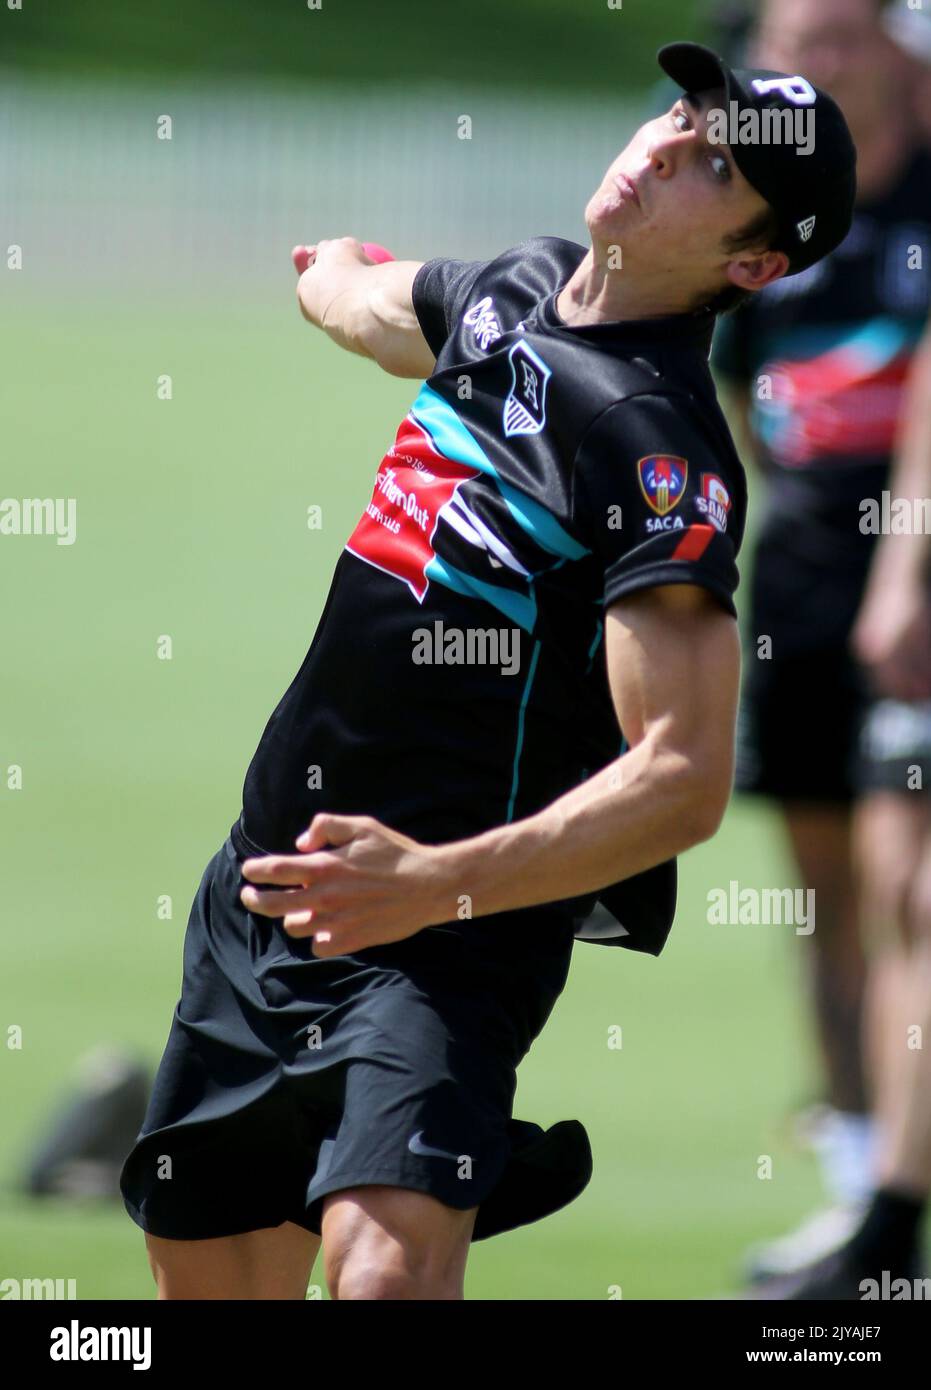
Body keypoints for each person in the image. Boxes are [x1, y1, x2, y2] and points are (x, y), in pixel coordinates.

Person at [119, 43, 855, 1300]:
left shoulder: (656, 448)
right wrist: (330, 271)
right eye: (681, 114)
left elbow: (681, 781)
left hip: (445, 933)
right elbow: (367, 303)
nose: (665, 144)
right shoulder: (509, 292)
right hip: (266, 882)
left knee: (381, 1279)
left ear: (753, 263)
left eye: (714, 161)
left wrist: (431, 888)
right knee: (210, 1275)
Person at [713, 0, 931, 1280]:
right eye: (804, 43)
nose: (830, 63)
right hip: (799, 572)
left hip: (911, 578)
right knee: (827, 893)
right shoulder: (772, 207)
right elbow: (740, 393)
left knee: (910, 888)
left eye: (853, 34)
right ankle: (858, 1182)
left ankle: (893, 1210)